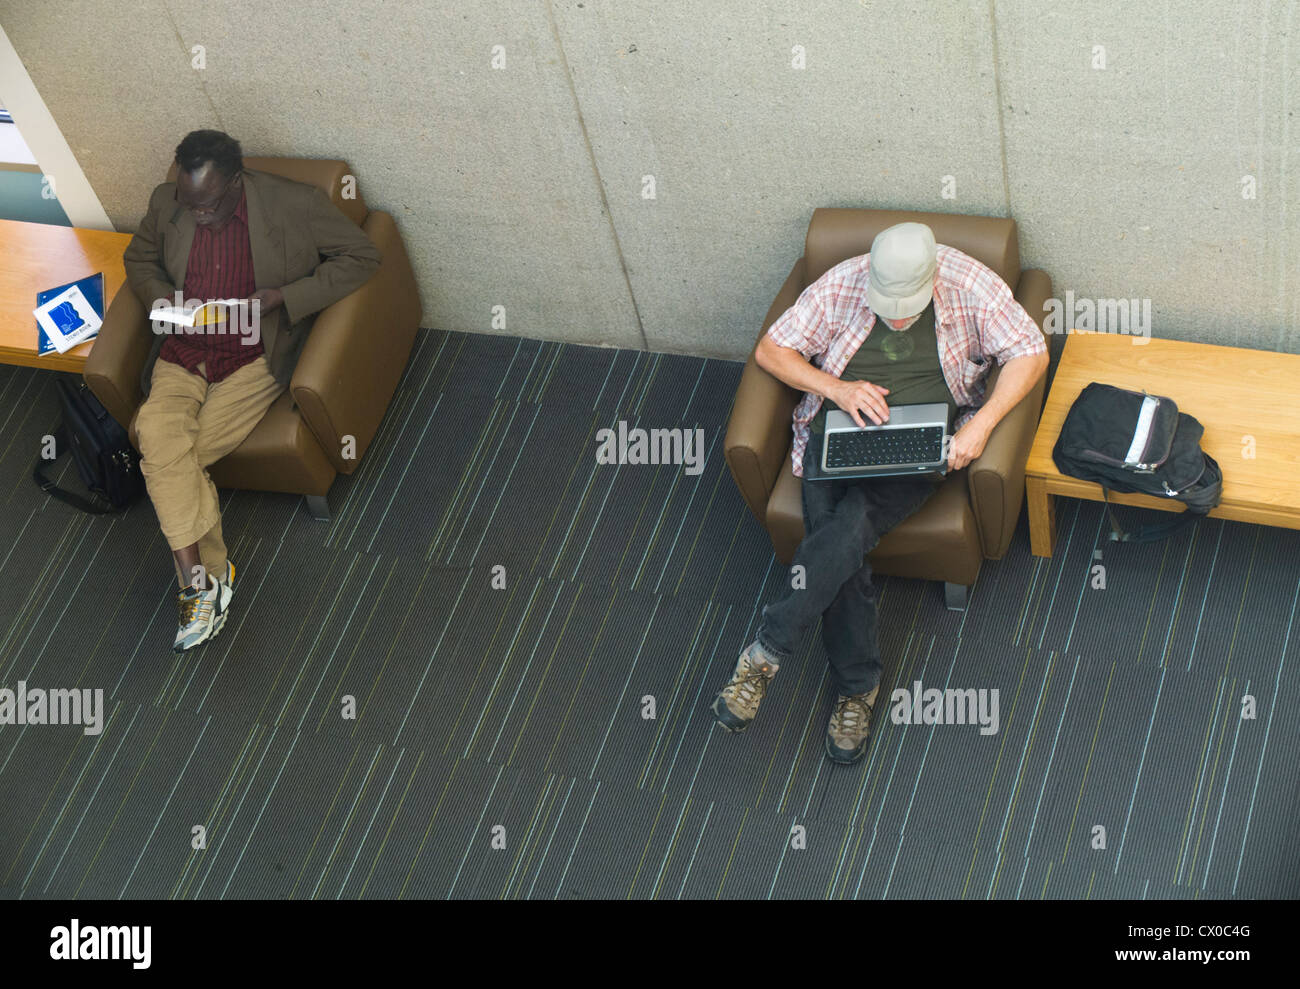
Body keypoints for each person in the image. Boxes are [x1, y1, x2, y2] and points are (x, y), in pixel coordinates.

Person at [710, 222, 1048, 764]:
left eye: (906, 306)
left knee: (846, 529)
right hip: (836, 433)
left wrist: (980, 426)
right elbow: (773, 350)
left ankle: (768, 652)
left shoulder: (969, 284)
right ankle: (856, 688)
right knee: (843, 544)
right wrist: (837, 389)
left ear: (933, 275)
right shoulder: (843, 283)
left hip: (919, 442)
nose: (894, 316)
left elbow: (1030, 351)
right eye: (885, 304)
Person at [122, 130, 382, 652]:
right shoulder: (167, 201)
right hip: (182, 352)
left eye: (208, 205)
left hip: (252, 355)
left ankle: (201, 587)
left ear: (235, 182)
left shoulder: (295, 206)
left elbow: (362, 257)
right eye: (187, 202)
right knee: (157, 432)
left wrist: (283, 297)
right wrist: (167, 304)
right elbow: (139, 260)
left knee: (170, 457)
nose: (195, 214)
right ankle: (204, 582)